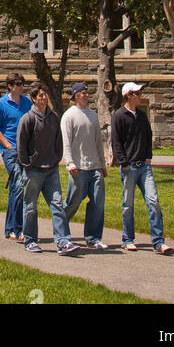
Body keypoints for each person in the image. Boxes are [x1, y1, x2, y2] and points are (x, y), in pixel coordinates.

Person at [110, 82, 172, 254]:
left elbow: (148, 136)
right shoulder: (119, 116)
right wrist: (124, 163)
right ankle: (127, 239)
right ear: (129, 95)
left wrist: (148, 158)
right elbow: (116, 142)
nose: (140, 95)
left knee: (153, 202)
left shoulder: (142, 116)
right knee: (128, 204)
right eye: (137, 92)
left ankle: (158, 241)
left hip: (144, 168)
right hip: (129, 168)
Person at [16, 83, 77, 255]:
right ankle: (30, 240)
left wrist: (57, 158)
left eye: (45, 95)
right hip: (33, 170)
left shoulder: (53, 117)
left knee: (57, 204)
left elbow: (59, 140)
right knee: (30, 206)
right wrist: (27, 164)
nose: (44, 98)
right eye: (40, 96)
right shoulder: (27, 119)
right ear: (34, 99)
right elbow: (21, 146)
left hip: (51, 169)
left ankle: (63, 241)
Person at [61, 82, 108, 250]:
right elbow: (66, 143)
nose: (86, 95)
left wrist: (102, 165)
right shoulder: (69, 116)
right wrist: (70, 163)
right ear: (75, 96)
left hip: (94, 166)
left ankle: (93, 237)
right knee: (73, 202)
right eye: (82, 93)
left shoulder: (93, 115)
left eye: (87, 92)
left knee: (98, 202)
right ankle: (60, 231)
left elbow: (98, 142)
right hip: (78, 167)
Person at [0, 73, 31, 241]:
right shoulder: (1, 104)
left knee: (16, 187)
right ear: (10, 86)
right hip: (11, 150)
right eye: (18, 84)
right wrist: (7, 145)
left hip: (25, 149)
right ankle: (18, 229)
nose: (21, 87)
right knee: (19, 185)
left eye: (22, 84)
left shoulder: (27, 102)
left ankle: (10, 228)